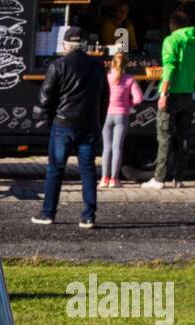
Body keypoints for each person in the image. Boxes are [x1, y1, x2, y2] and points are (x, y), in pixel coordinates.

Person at [32, 27, 106, 229]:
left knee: (55, 169)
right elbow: (104, 97)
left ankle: (48, 213)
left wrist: (42, 119)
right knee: (88, 170)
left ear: (65, 45)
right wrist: (99, 121)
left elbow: (46, 95)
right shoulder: (98, 66)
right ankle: (88, 216)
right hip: (89, 125)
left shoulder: (59, 65)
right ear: (82, 45)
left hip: (63, 123)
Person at [142, 12, 195, 190]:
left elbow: (169, 68)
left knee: (164, 136)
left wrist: (163, 93)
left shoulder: (171, 41)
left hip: (171, 96)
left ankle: (159, 178)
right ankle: (179, 177)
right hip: (188, 96)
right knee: (184, 137)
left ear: (172, 25)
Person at [101, 52, 142, 188]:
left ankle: (103, 179)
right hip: (121, 116)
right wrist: (128, 105)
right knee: (117, 147)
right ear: (126, 65)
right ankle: (114, 179)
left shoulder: (105, 78)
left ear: (112, 63)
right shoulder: (129, 79)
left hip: (106, 115)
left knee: (106, 148)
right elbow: (139, 98)